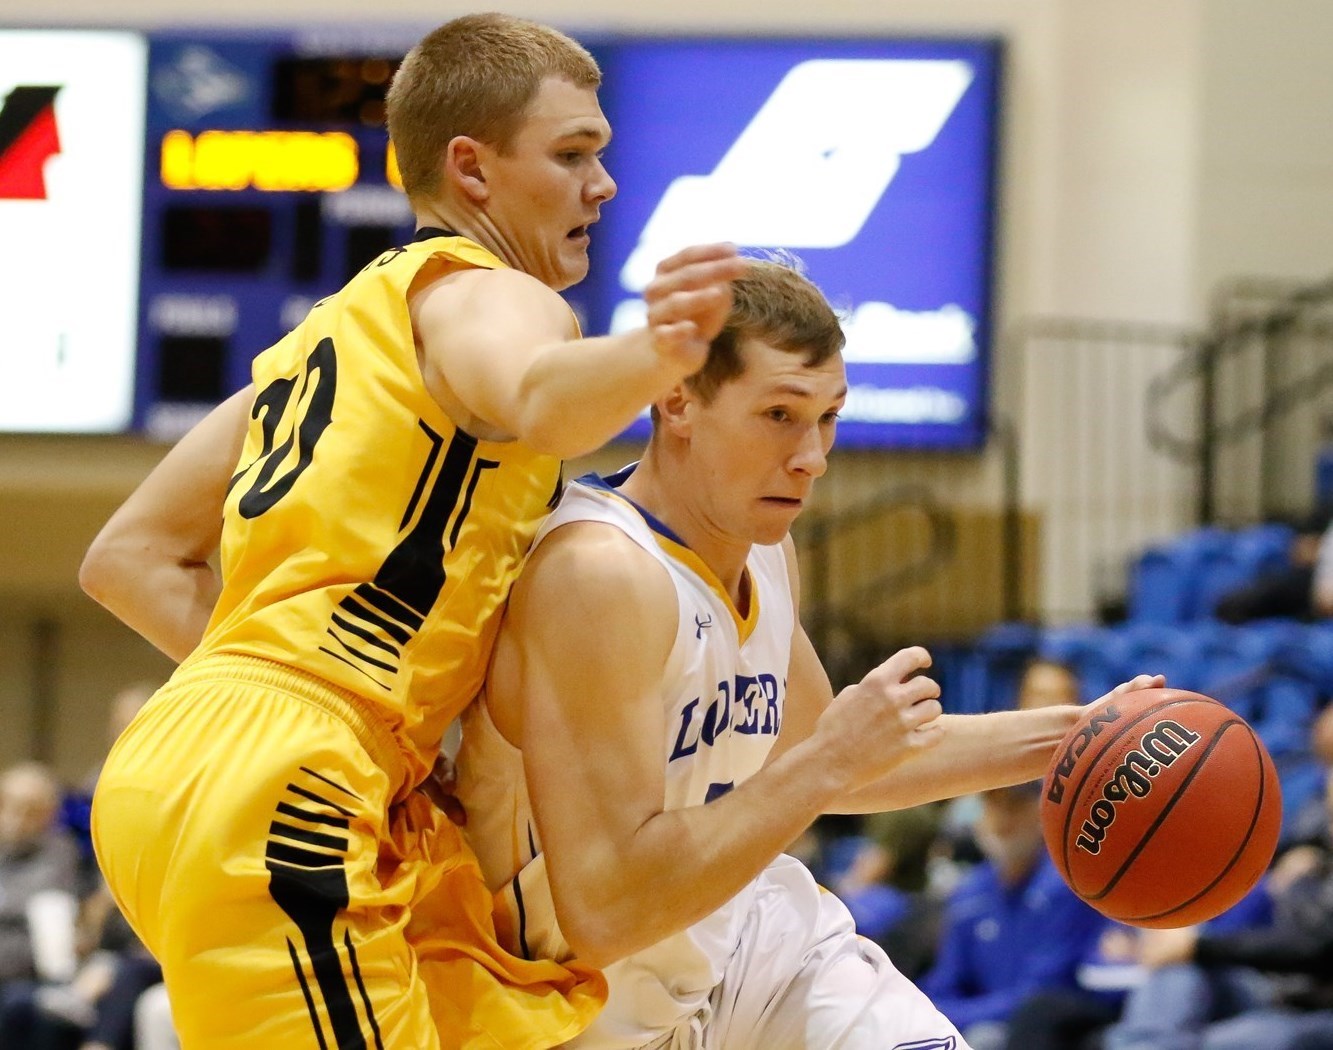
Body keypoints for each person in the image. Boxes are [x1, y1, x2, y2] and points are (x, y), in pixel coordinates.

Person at [78, 13, 745, 1049]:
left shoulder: (321, 341)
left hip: (206, 758)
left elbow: (126, 560)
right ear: (472, 172)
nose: (601, 186)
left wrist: (278, 713)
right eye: (572, 156)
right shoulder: (490, 295)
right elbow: (537, 397)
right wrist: (660, 348)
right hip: (296, 778)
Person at [455, 259, 1164, 1049]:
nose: (813, 456)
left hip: (751, 942)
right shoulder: (599, 574)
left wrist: (1075, 738)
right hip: (583, 1009)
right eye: (779, 415)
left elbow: (843, 762)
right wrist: (825, 762)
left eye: (827, 417)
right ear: (677, 398)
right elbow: (605, 909)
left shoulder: (766, 551)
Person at [1101, 773, 1333, 1050]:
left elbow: (1317, 946)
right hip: (1274, 993)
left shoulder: (1299, 878)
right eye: (1328, 805)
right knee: (1177, 972)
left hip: (1318, 1012)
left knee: (1226, 1042)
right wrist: (1299, 852)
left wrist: (1197, 946)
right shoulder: (1314, 851)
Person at [919, 783, 1108, 1050]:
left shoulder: (1066, 885)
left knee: (985, 1038)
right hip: (981, 1020)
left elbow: (1040, 994)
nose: (1002, 820)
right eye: (992, 805)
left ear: (1041, 812)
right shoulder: (969, 892)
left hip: (1050, 1027)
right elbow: (944, 984)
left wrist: (945, 1016)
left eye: (1015, 805)